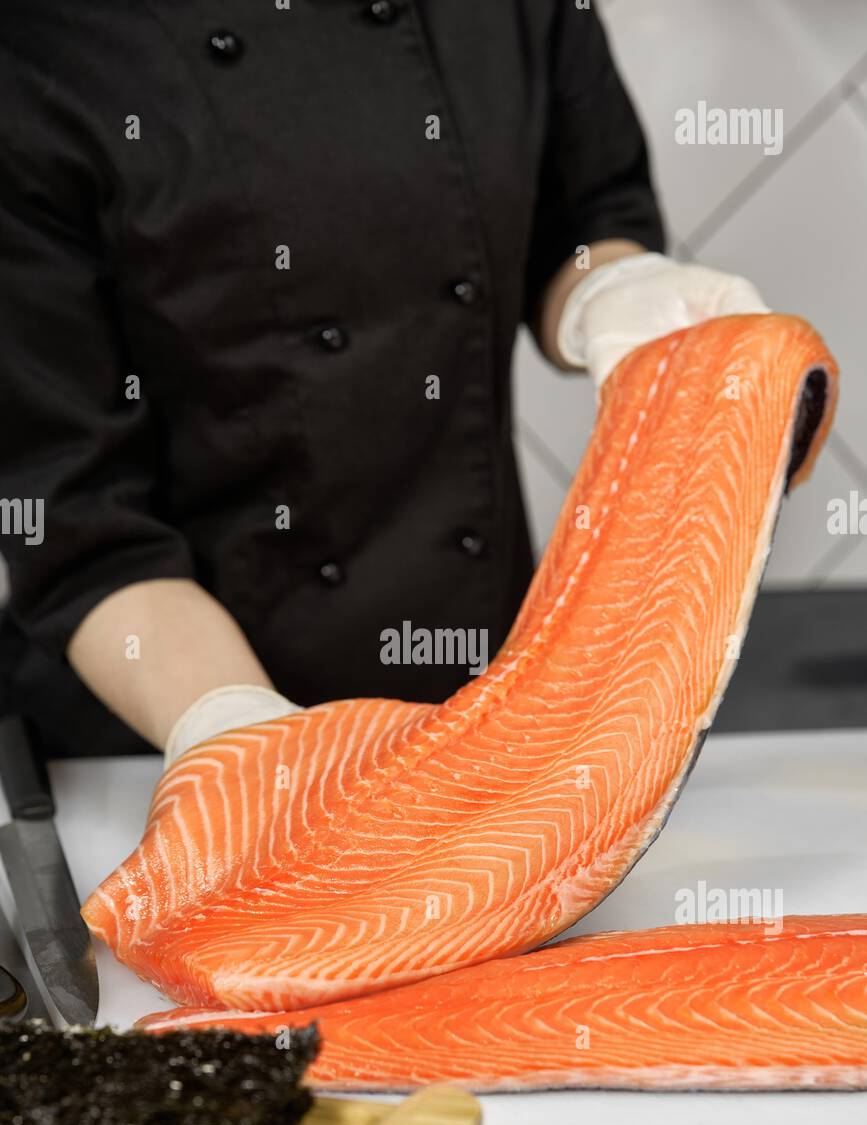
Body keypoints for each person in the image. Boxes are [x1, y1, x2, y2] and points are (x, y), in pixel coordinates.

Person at [0, 1, 765, 764]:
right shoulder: (44, 46)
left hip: (479, 706)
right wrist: (231, 731)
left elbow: (587, 212)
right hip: (155, 730)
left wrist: (612, 291)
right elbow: (75, 520)